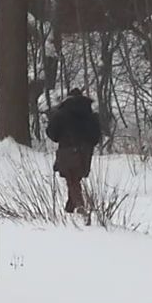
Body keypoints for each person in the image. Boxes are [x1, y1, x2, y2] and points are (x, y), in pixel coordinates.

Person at [45, 88, 104, 217]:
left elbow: (52, 134)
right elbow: (96, 136)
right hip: (86, 152)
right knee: (75, 179)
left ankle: (79, 207)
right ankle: (70, 209)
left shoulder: (62, 113)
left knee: (71, 178)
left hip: (68, 149)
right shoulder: (91, 114)